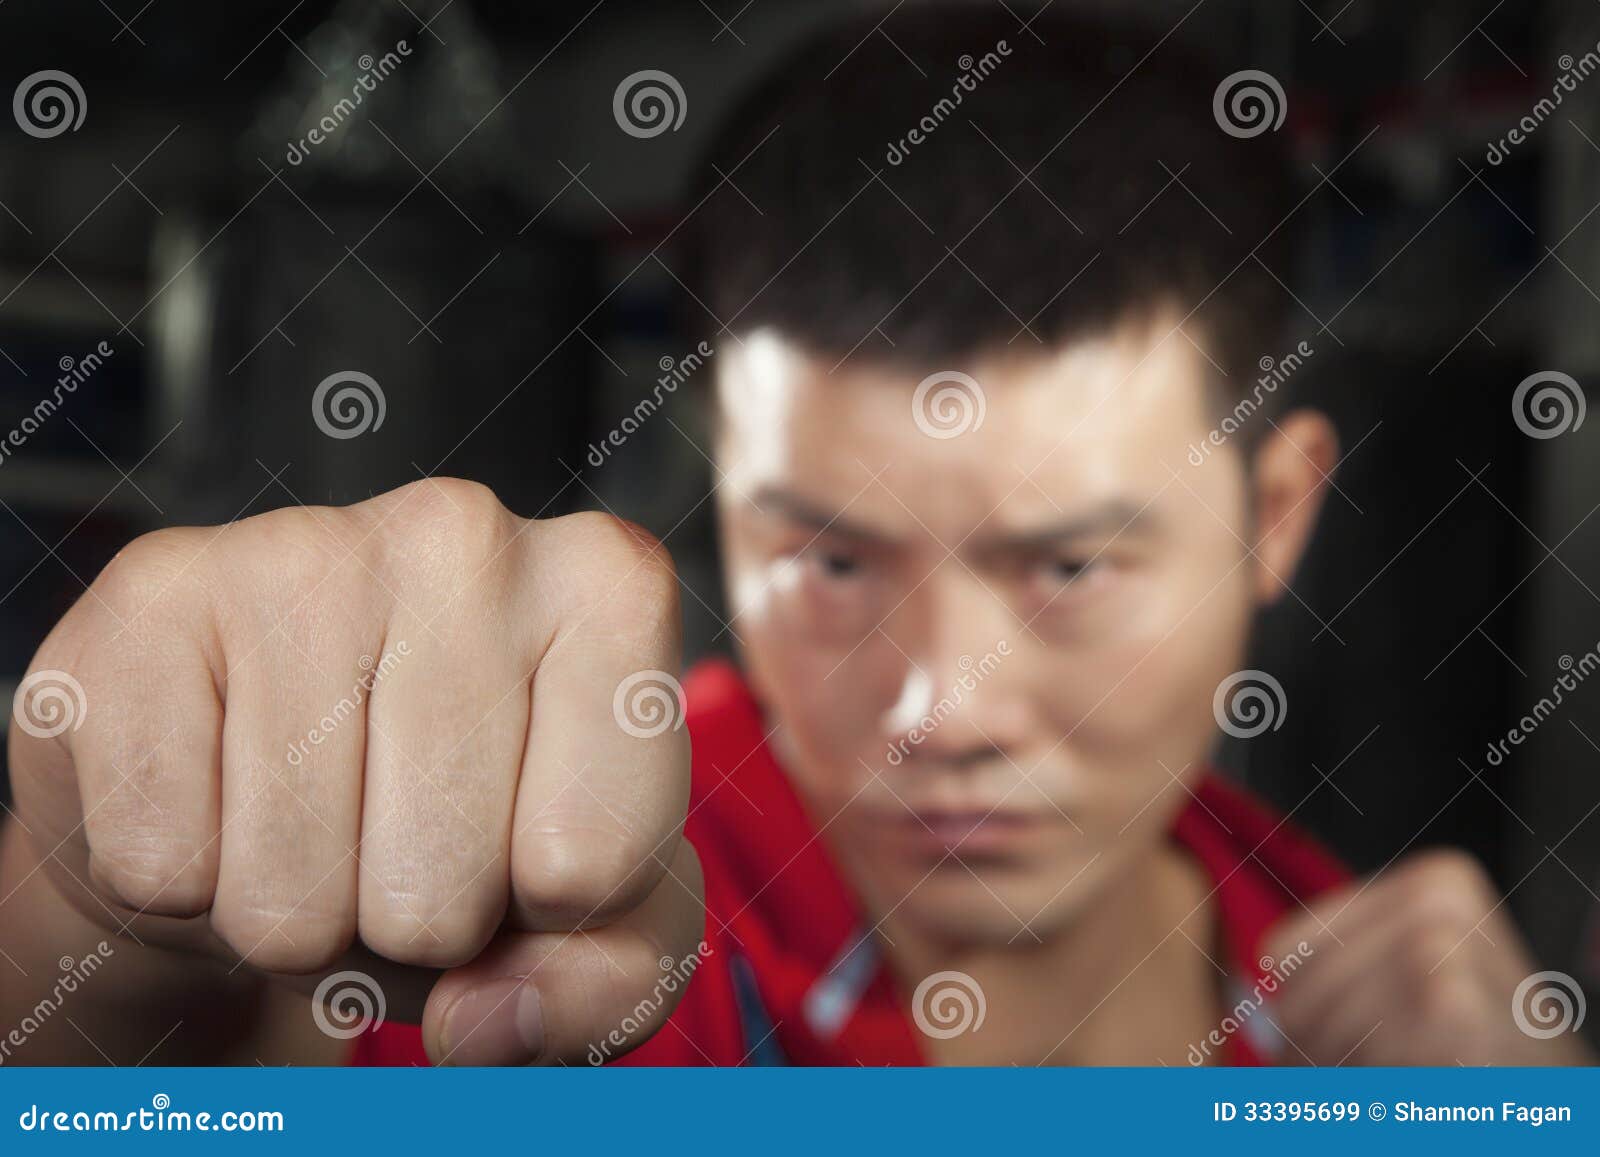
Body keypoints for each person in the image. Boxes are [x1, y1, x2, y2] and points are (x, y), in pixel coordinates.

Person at [1, 6, 1591, 1068]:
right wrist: (120, 912)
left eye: (1071, 566)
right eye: (831, 558)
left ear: (1278, 511)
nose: (940, 709)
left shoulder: (1341, 969)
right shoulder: (585, 893)